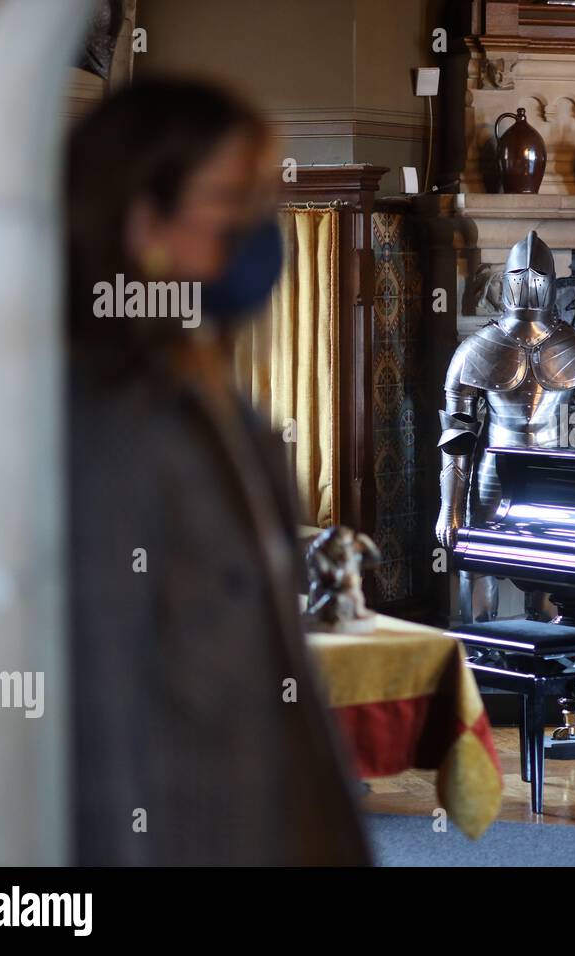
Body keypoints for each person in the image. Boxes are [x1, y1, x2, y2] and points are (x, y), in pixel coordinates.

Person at [65, 77, 367, 864]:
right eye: (231, 199)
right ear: (142, 221)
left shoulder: (222, 407)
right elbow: (98, 719)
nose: (258, 232)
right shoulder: (99, 430)